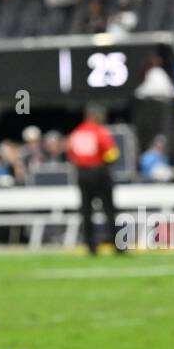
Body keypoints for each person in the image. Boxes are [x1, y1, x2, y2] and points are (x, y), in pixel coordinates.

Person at [67, 105, 122, 255]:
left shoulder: (76, 133)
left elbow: (71, 154)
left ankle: (91, 246)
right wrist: (106, 163)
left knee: (86, 210)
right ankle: (117, 245)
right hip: (99, 171)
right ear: (96, 116)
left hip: (82, 173)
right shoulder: (100, 131)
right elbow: (112, 153)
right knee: (109, 209)